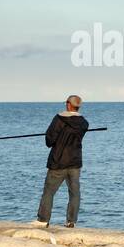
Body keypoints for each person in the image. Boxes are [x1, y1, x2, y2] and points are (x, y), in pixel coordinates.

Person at [31, 95, 89, 229]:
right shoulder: (84, 123)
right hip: (75, 162)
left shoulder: (58, 119)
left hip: (58, 161)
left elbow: (49, 141)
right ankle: (71, 221)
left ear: (68, 104)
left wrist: (53, 135)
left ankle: (43, 220)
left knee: (49, 191)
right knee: (74, 192)